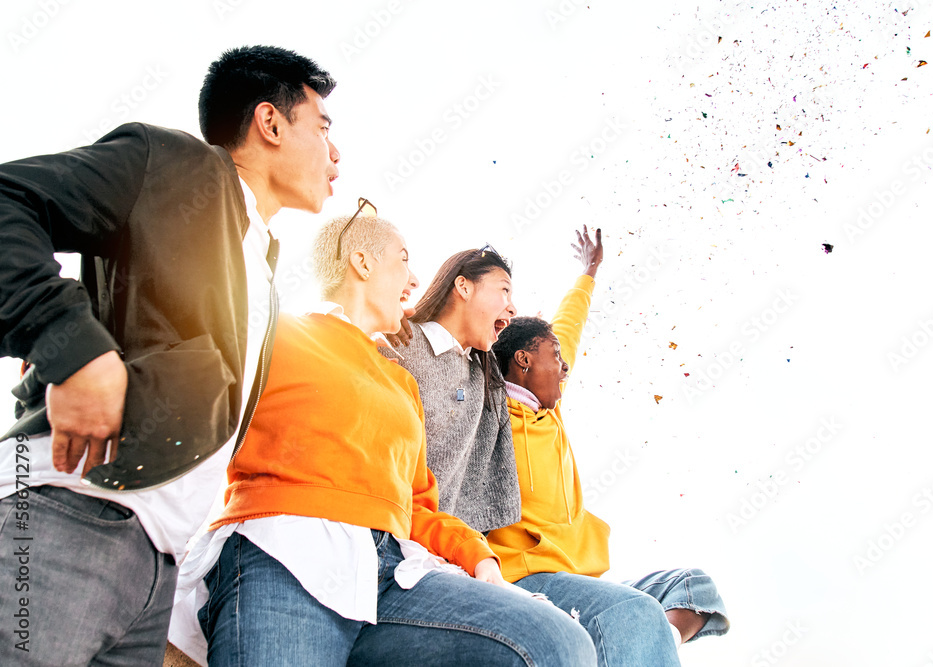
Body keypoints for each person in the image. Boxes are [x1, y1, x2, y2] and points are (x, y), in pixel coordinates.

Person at [0, 45, 340, 665]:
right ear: (270, 122)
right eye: (322, 128)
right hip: (66, 515)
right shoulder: (171, 163)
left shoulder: (259, 265)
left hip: (155, 569)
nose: (335, 153)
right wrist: (69, 346)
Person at [175, 211, 596, 667]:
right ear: (362, 262)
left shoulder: (401, 384)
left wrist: (481, 560)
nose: (414, 278)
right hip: (286, 551)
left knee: (558, 641)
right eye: (402, 260)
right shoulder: (278, 334)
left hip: (393, 570)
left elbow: (416, 504)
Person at [487, 226, 731, 666]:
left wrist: (590, 271)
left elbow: (567, 326)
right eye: (554, 358)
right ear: (523, 360)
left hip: (583, 583)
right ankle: (637, 633)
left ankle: (645, 641)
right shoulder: (492, 416)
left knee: (695, 588)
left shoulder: (550, 413)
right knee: (634, 611)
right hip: (527, 580)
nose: (563, 368)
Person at [384, 245, 520, 533]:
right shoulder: (397, 343)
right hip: (385, 532)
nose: (512, 306)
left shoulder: (482, 374)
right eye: (504, 290)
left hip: (442, 542)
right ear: (464, 286)